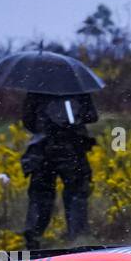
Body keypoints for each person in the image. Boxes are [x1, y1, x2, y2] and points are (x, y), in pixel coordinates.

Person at [20, 92, 98, 250]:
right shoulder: (77, 89)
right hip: (72, 149)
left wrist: (45, 125)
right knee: (76, 193)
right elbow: (91, 115)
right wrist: (74, 118)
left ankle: (34, 234)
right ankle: (78, 237)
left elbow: (28, 121)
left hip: (42, 150)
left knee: (41, 194)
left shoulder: (37, 90)